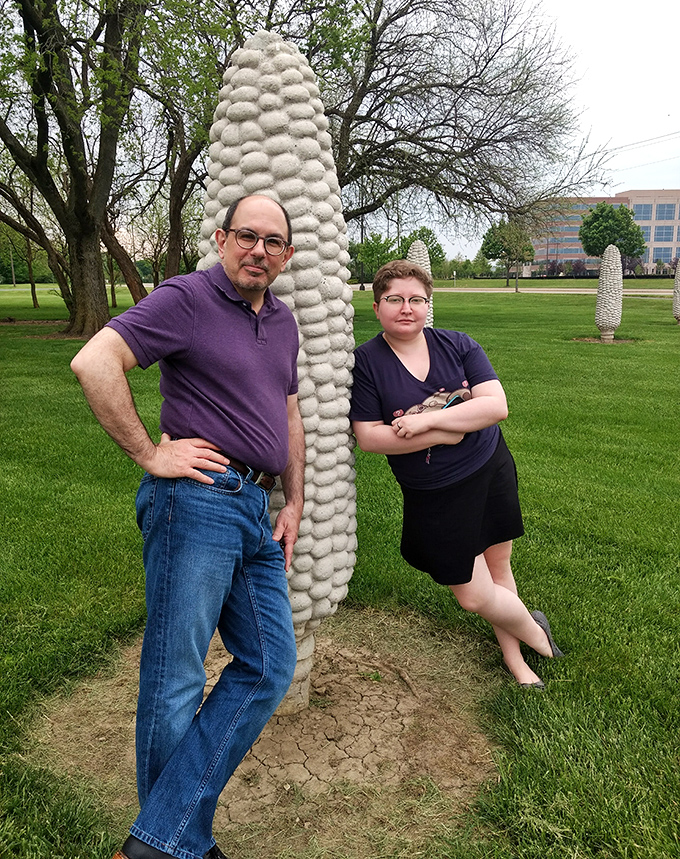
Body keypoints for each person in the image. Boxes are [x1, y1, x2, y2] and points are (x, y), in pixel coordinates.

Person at [71, 194, 305, 859]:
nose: (259, 249)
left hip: (257, 512)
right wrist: (150, 452)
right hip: (197, 500)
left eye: (273, 242)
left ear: (286, 255)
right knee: (177, 678)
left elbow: (287, 416)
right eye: (247, 235)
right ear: (222, 237)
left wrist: (293, 500)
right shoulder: (186, 298)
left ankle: (160, 840)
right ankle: (170, 845)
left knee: (268, 664)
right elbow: (94, 361)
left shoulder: (283, 322)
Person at [349, 260, 562, 690]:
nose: (406, 308)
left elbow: (496, 407)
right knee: (471, 595)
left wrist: (430, 426)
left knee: (499, 568)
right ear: (376, 307)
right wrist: (454, 432)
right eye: (394, 299)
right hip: (435, 492)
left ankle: (515, 659)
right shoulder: (366, 363)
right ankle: (538, 636)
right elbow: (371, 438)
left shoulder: (458, 344)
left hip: (488, 467)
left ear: (429, 304)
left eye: (416, 300)